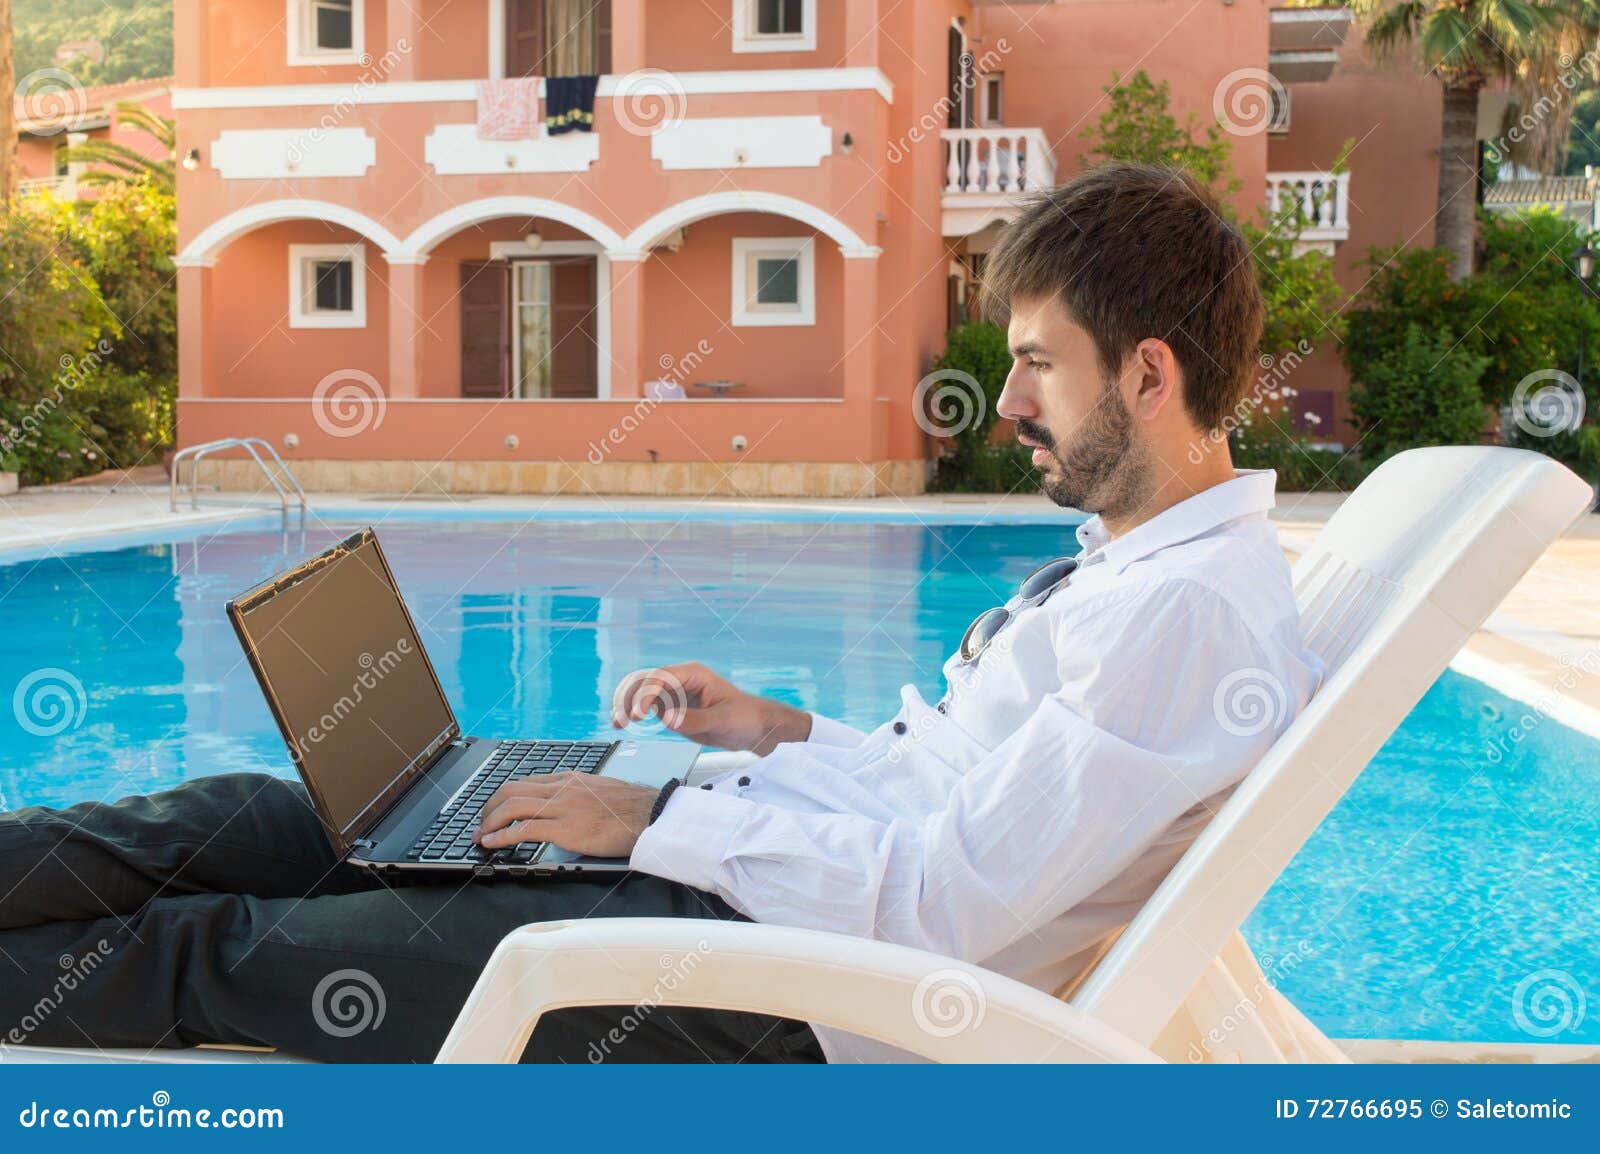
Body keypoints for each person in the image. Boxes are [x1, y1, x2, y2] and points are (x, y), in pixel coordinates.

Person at [0, 162, 1321, 1063]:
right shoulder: (1147, 572)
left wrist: (655, 813)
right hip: (741, 882)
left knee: (215, 949)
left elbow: (937, 911)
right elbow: (954, 795)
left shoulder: (1183, 618)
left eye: (1039, 363)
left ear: (1147, 376)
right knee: (258, 815)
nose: (1013, 400)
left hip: (771, 986)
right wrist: (778, 727)